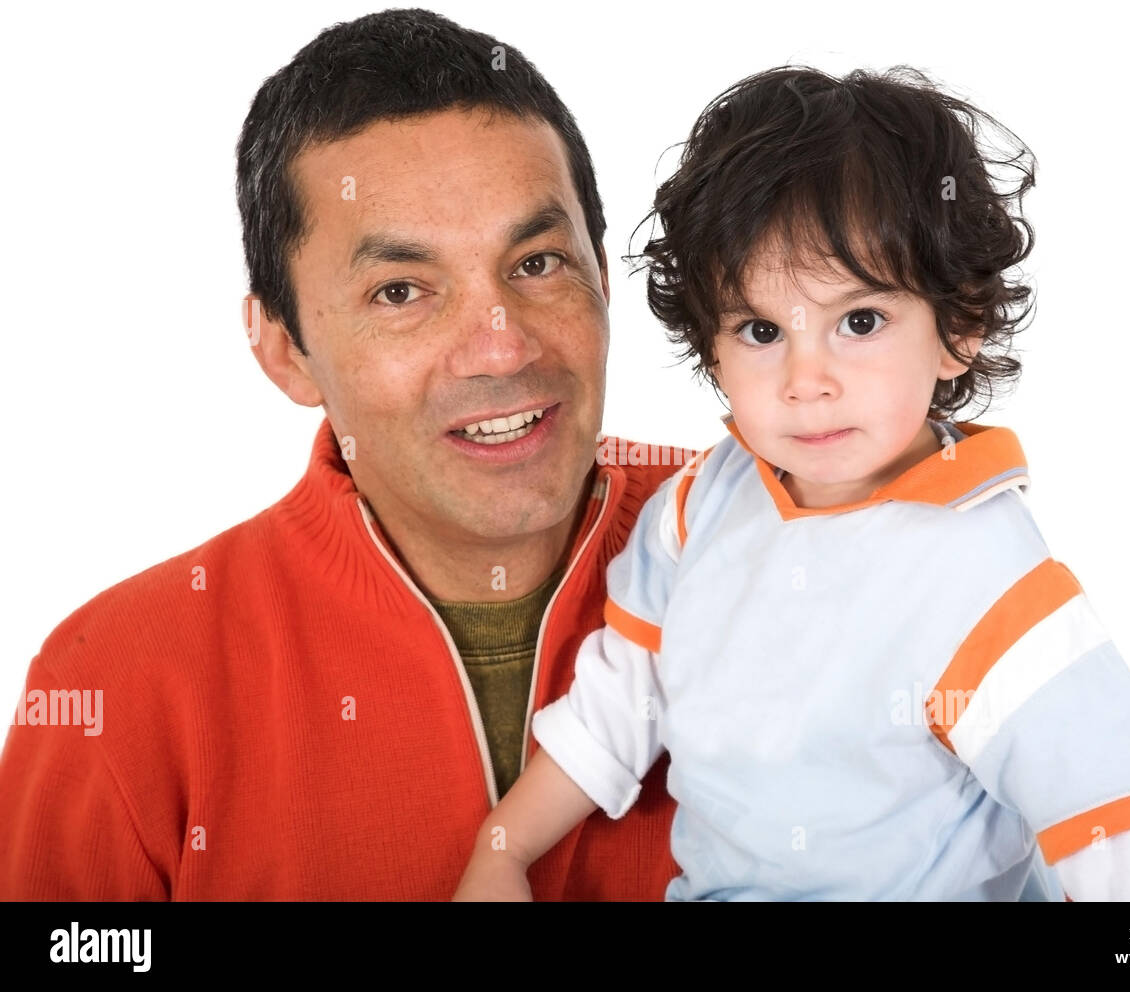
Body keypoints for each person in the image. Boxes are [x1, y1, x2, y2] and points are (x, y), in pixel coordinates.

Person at [453, 66, 1130, 901]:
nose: (805, 379)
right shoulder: (696, 508)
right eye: (760, 330)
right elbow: (615, 710)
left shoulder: (983, 577)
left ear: (957, 326)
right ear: (712, 347)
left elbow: (1119, 834)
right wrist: (503, 850)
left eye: (859, 322)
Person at [0, 9, 684, 900]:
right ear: (284, 349)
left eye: (539, 263)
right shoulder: (115, 690)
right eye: (401, 290)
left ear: (601, 270)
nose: (503, 347)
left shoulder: (804, 538)